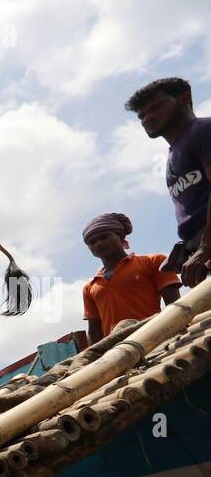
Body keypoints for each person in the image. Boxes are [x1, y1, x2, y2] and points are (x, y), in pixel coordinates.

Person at [126, 77, 211, 288]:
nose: (147, 118)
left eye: (155, 108)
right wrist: (187, 247)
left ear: (184, 98)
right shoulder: (173, 155)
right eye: (141, 115)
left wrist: (205, 248)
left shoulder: (202, 131)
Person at [81, 213, 180, 344]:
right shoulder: (90, 287)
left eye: (104, 237)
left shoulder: (154, 261)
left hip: (155, 339)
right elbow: (94, 331)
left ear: (121, 237)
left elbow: (174, 305)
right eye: (92, 242)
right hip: (116, 351)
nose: (98, 243)